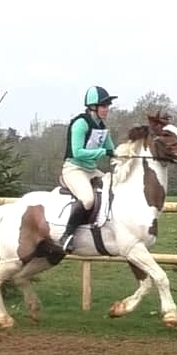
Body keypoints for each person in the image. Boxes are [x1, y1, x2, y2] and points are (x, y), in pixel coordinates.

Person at [59, 85, 118, 249]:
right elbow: (77, 152)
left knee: (114, 185)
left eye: (108, 106)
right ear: (93, 106)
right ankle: (67, 235)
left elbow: (112, 150)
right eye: (104, 106)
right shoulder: (80, 124)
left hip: (91, 170)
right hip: (74, 169)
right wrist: (102, 152)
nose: (107, 109)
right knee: (88, 199)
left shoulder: (102, 126)